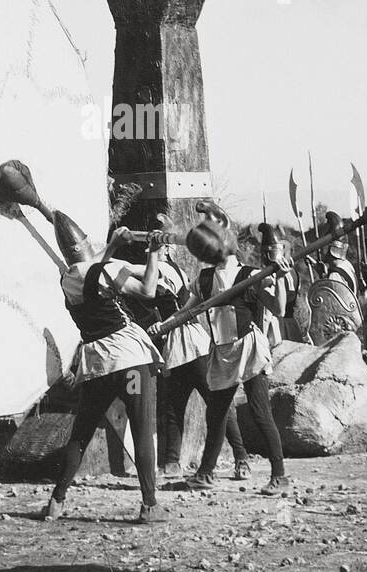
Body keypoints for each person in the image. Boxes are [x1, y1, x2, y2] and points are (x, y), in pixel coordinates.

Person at [42, 212, 168, 524]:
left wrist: (113, 246)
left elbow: (92, 266)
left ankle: (56, 502)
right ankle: (150, 505)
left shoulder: (67, 278)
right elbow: (149, 292)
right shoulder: (109, 270)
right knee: (142, 430)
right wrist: (153, 253)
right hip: (131, 364)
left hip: (97, 367)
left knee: (81, 433)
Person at [117, 227, 252, 483]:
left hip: (191, 342)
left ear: (167, 250)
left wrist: (105, 258)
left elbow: (127, 270)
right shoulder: (164, 269)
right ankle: (171, 462)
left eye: (155, 250)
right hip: (176, 347)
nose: (150, 254)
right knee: (173, 407)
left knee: (218, 404)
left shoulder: (165, 269)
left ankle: (241, 457)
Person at [185, 202, 291, 496]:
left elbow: (279, 308)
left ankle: (279, 475)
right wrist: (163, 326)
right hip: (222, 351)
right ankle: (205, 474)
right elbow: (187, 311)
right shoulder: (204, 280)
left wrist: (280, 279)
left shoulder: (250, 274)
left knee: (260, 413)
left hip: (250, 348)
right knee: (216, 416)